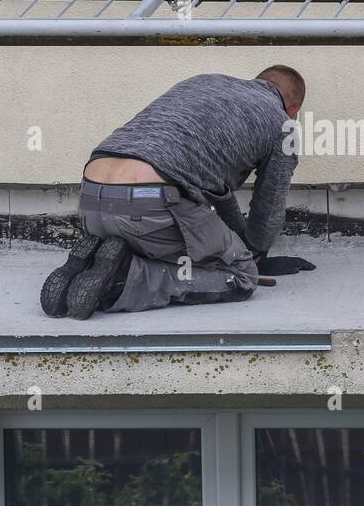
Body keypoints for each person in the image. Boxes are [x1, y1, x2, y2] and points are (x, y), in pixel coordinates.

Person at [40, 66, 311, 319]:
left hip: (91, 198)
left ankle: (89, 264)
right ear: (293, 108)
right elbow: (270, 201)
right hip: (148, 208)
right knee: (241, 276)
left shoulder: (204, 82)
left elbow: (219, 193)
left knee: (163, 232)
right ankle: (121, 279)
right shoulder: (281, 125)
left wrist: (240, 243)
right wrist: (255, 253)